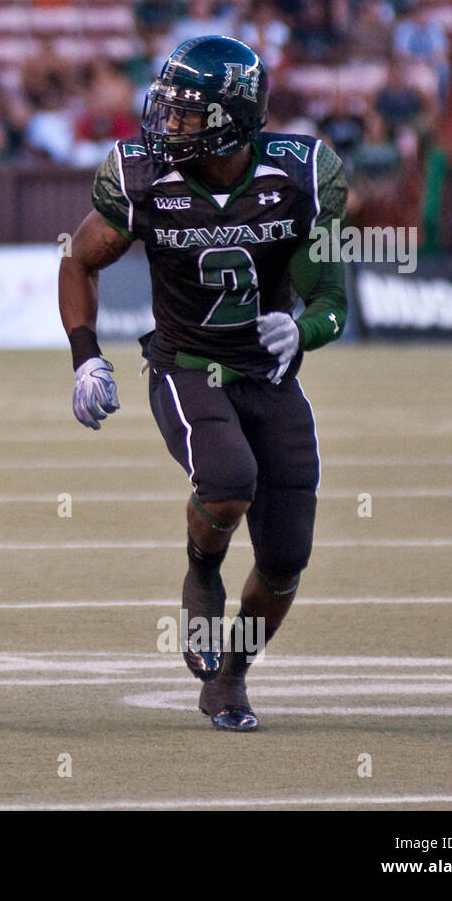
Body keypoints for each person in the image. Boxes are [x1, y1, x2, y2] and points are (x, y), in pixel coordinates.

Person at [58, 36, 348, 731]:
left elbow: (332, 298)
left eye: (187, 114)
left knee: (285, 558)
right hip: (185, 364)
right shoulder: (144, 177)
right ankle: (201, 570)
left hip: (267, 372)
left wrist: (301, 330)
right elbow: (78, 260)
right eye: (169, 108)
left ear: (233, 119)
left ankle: (230, 678)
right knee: (226, 478)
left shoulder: (300, 175)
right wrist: (85, 356)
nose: (168, 124)